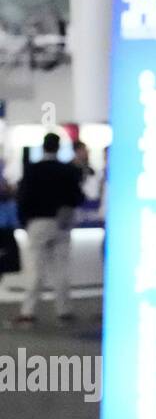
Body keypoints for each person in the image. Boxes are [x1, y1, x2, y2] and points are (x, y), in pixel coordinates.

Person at [14, 132, 85, 328]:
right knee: (61, 268)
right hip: (62, 223)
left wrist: (24, 221)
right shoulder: (67, 170)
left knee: (36, 268)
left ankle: (28, 310)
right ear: (58, 147)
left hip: (37, 222)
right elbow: (78, 196)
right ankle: (64, 309)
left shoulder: (33, 170)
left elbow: (23, 197)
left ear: (43, 147)